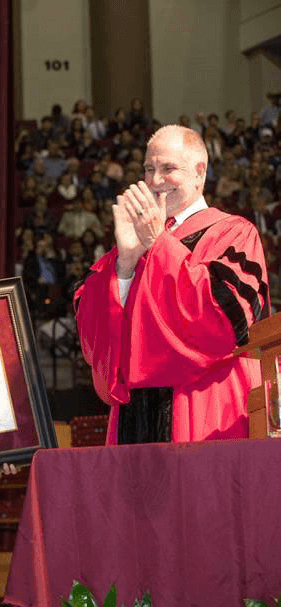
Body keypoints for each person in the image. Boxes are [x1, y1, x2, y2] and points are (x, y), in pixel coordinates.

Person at [75, 125, 269, 444]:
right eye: (149, 169)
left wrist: (158, 243)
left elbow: (222, 318)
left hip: (208, 409)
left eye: (168, 168)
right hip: (134, 416)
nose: (155, 181)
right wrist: (124, 264)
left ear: (199, 172)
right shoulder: (133, 243)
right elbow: (93, 338)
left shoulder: (233, 233)